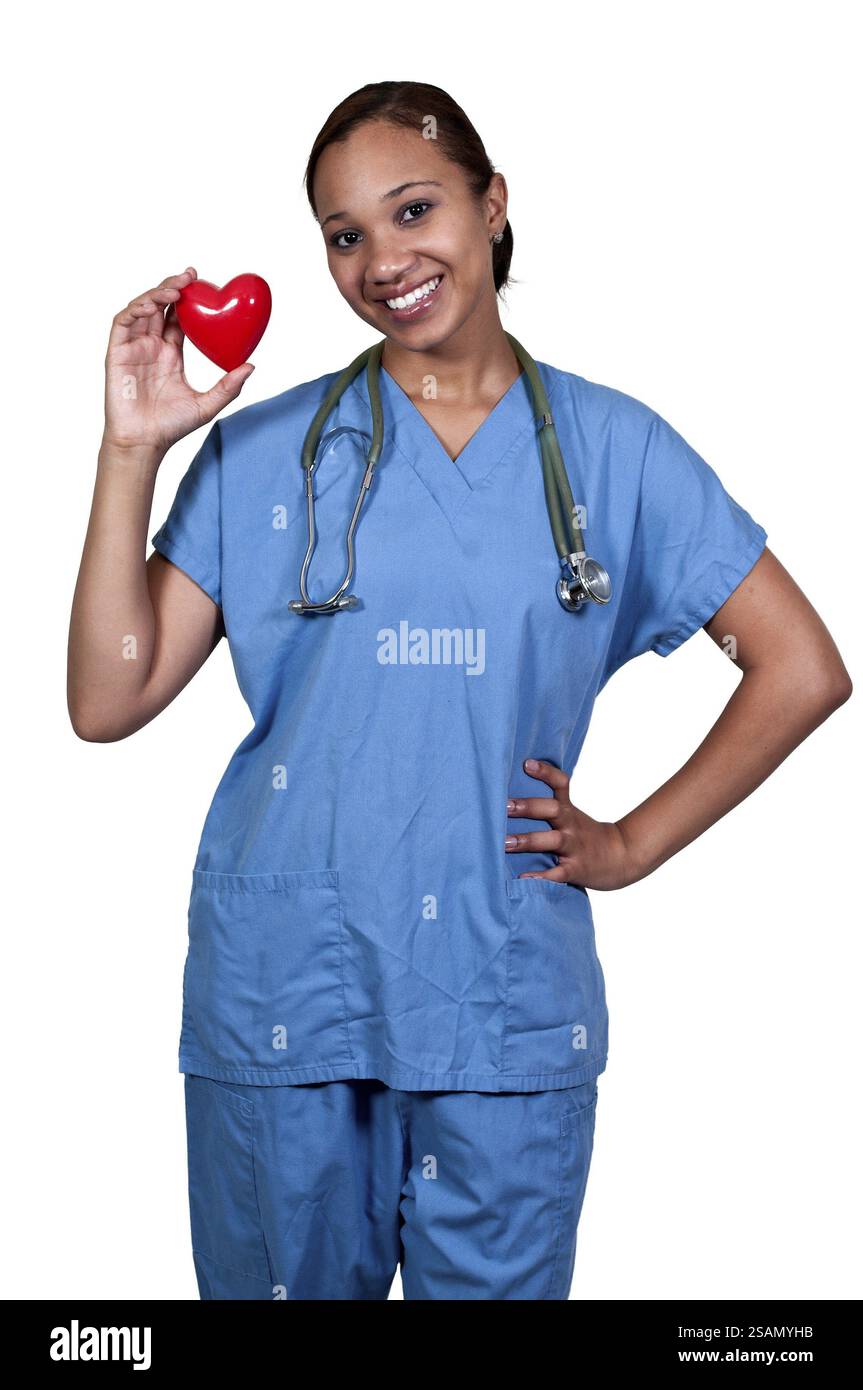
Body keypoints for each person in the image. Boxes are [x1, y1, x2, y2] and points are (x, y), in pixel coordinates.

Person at [67, 80, 852, 1301]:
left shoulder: (612, 450)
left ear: (492, 206)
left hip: (498, 995)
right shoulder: (264, 450)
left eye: (413, 208)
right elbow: (106, 698)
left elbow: (801, 666)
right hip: (285, 989)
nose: (383, 259)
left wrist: (633, 841)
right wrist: (132, 448)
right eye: (343, 235)